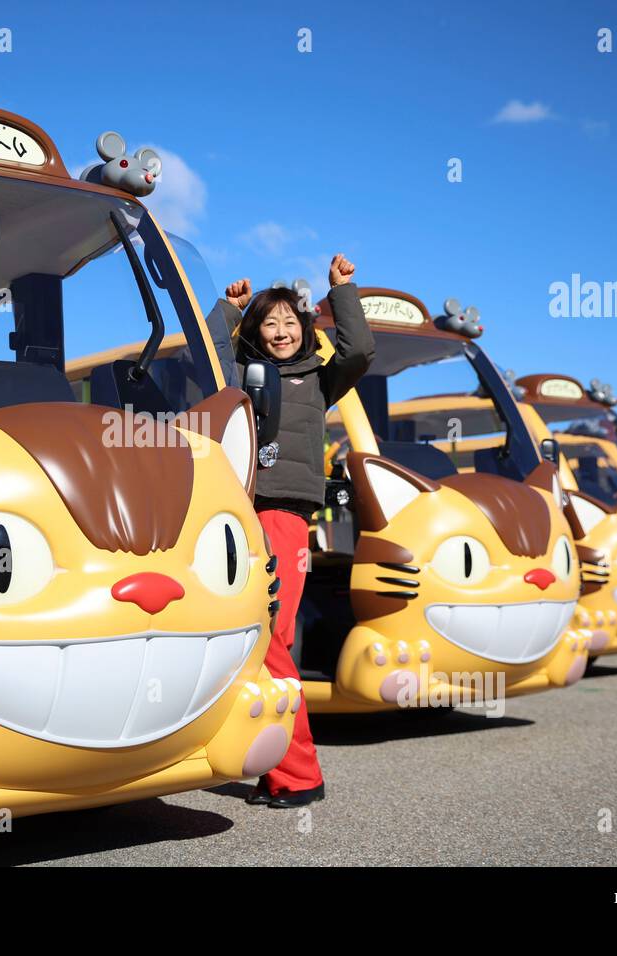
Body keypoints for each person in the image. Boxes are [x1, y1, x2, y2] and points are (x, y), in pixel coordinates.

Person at [220, 254, 374, 808]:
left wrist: (344, 292)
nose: (281, 331)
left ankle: (300, 774)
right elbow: (209, 355)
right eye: (269, 323)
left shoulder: (319, 378)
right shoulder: (240, 376)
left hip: (284, 517)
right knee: (254, 639)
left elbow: (358, 351)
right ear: (256, 332)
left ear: (304, 328)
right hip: (238, 513)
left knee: (272, 638)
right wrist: (228, 309)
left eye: (289, 322)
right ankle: (276, 766)